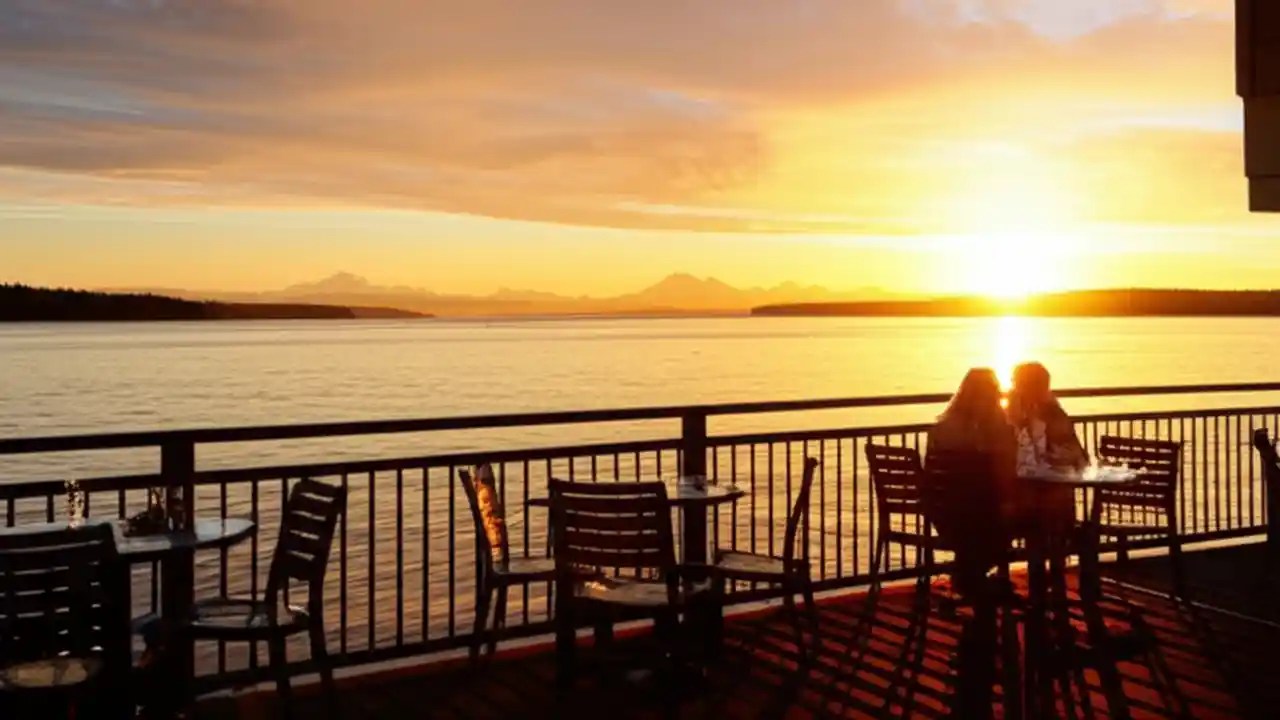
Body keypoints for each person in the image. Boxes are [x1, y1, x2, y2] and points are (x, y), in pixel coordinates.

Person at [1006, 361, 1088, 472]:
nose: (1014, 388)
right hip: (1029, 478)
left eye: (1016, 382)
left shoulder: (1053, 415)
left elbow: (1073, 455)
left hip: (1053, 478)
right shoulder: (1015, 413)